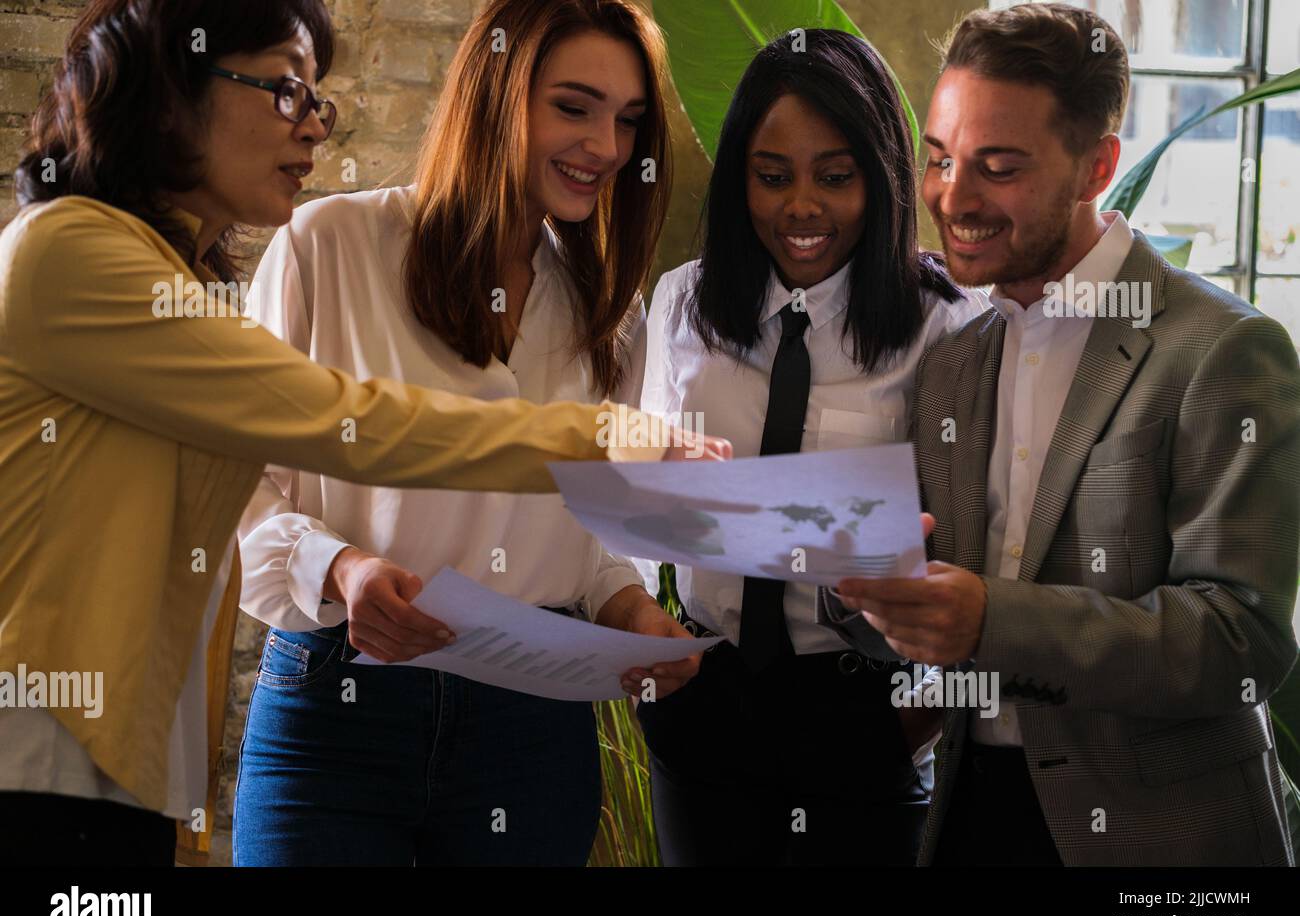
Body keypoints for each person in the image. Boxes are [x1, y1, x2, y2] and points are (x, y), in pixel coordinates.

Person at [0, 0, 726, 867]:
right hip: (56, 764)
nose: (312, 127)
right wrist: (610, 439)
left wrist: (628, 602)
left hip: (122, 772)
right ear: (170, 93)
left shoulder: (169, 279)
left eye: (317, 100)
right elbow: (344, 423)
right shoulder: (79, 256)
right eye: (285, 93)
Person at [827, 2, 1298, 866]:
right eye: (939, 160)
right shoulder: (954, 361)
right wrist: (859, 581)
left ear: (1097, 166)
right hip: (969, 818)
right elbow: (940, 618)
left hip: (1160, 843)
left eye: (997, 168)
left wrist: (990, 620)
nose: (952, 199)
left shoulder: (1223, 351)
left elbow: (1243, 643)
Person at [233, 0, 696, 867]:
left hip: (532, 728)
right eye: (574, 106)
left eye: (628, 121)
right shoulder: (326, 248)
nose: (606, 146)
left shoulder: (611, 315)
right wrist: (339, 566)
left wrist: (628, 609)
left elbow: (596, 536)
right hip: (337, 709)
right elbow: (230, 485)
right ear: (495, 93)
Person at [634, 29, 989, 866]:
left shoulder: (947, 324)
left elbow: (982, 540)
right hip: (704, 696)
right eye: (771, 176)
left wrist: (917, 715)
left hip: (860, 707)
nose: (801, 206)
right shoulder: (682, 303)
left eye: (835, 177)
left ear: (881, 177)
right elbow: (635, 484)